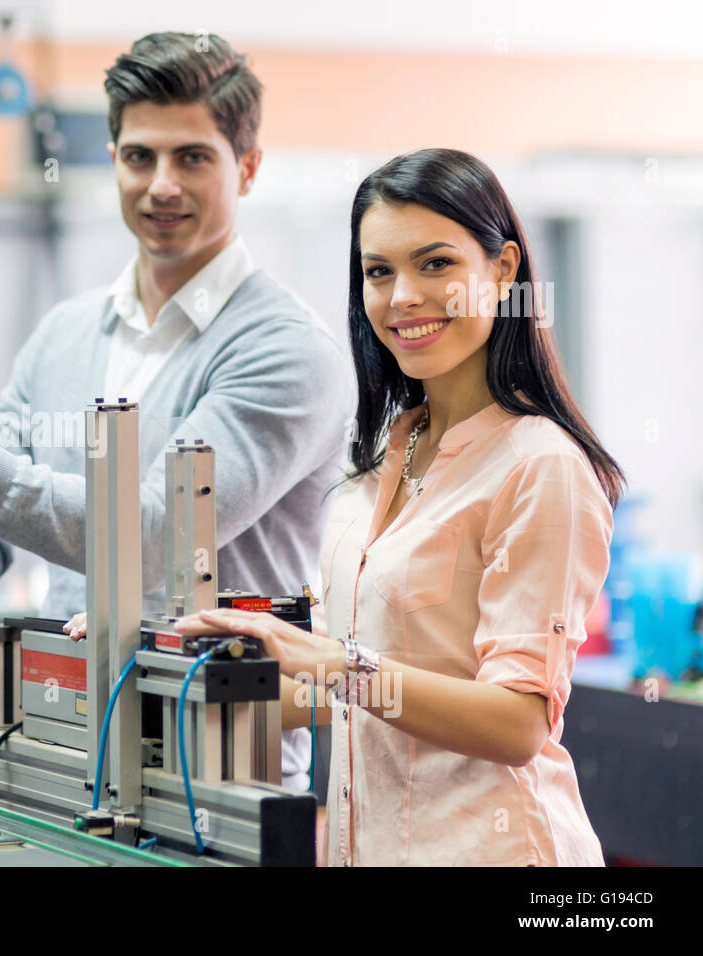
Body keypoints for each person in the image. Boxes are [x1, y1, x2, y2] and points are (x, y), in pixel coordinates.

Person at [0, 32, 353, 792]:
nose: (161, 185)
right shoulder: (66, 334)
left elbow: (157, 537)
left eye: (193, 157)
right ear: (111, 159)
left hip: (220, 773)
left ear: (247, 166)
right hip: (63, 748)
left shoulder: (285, 352)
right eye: (139, 156)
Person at [177, 147, 624, 865]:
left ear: (503, 270)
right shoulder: (389, 452)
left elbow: (517, 722)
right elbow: (359, 695)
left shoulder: (540, 465)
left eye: (436, 264)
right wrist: (172, 665)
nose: (402, 296)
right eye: (378, 272)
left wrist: (334, 667)